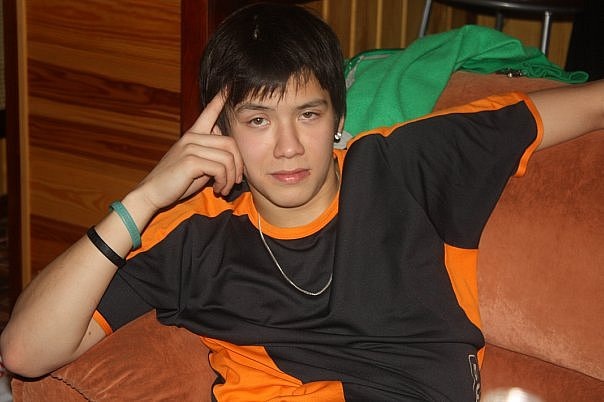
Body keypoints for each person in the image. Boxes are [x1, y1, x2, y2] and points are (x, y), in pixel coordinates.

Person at [1, 3, 603, 401]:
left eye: (308, 115)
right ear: (221, 133)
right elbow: (25, 352)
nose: (288, 147)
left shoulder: (406, 165)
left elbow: (590, 104)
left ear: (338, 119)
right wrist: (143, 198)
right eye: (258, 120)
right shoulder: (191, 234)